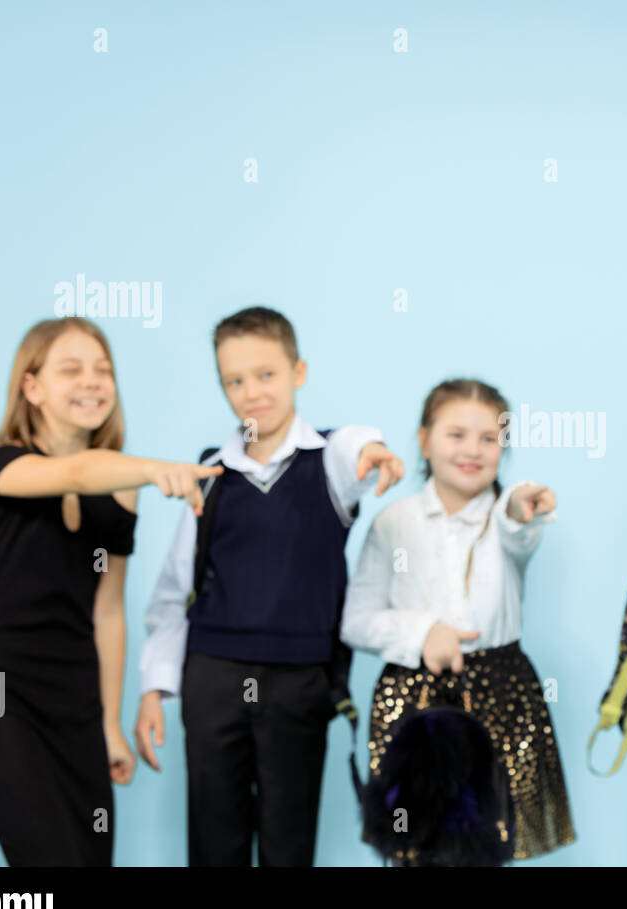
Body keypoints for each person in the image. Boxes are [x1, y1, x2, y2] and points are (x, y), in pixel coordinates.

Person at [134, 306, 403, 866]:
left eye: (266, 374)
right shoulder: (209, 473)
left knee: (288, 840)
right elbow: (171, 594)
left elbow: (353, 447)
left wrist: (370, 450)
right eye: (234, 380)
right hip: (212, 678)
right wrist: (155, 687)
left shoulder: (328, 462)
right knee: (214, 838)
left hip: (298, 682)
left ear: (298, 372)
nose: (251, 392)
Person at [0, 316, 221, 866]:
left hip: (75, 699)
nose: (93, 382)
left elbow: (107, 613)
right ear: (31, 387)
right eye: (71, 370)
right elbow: (75, 473)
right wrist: (151, 468)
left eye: (104, 371)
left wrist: (107, 725)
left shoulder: (123, 490)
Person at [341, 378, 575, 862]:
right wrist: (422, 632)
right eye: (456, 435)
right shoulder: (393, 522)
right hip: (412, 698)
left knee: (491, 840)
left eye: (489, 438)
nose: (473, 450)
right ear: (424, 440)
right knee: (415, 844)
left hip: (502, 692)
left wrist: (517, 504)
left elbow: (516, 526)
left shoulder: (511, 519)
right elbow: (356, 620)